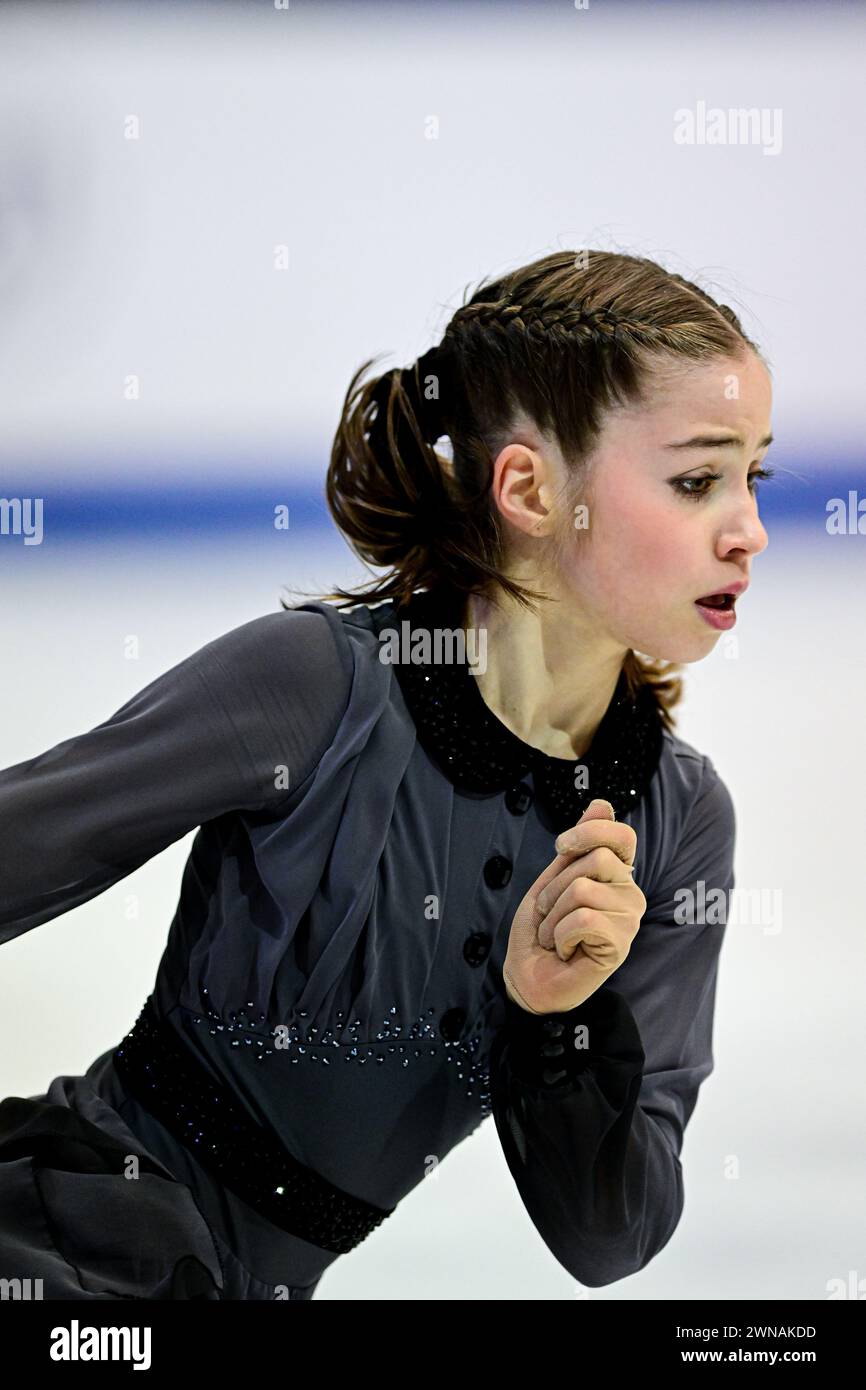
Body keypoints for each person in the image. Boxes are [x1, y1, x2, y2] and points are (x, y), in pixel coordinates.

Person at [0, 248, 772, 1300]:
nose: (748, 531)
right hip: (60, 1235)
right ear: (528, 490)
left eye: (751, 475)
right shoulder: (316, 686)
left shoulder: (674, 818)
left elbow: (610, 1239)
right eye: (695, 479)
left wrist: (556, 1021)